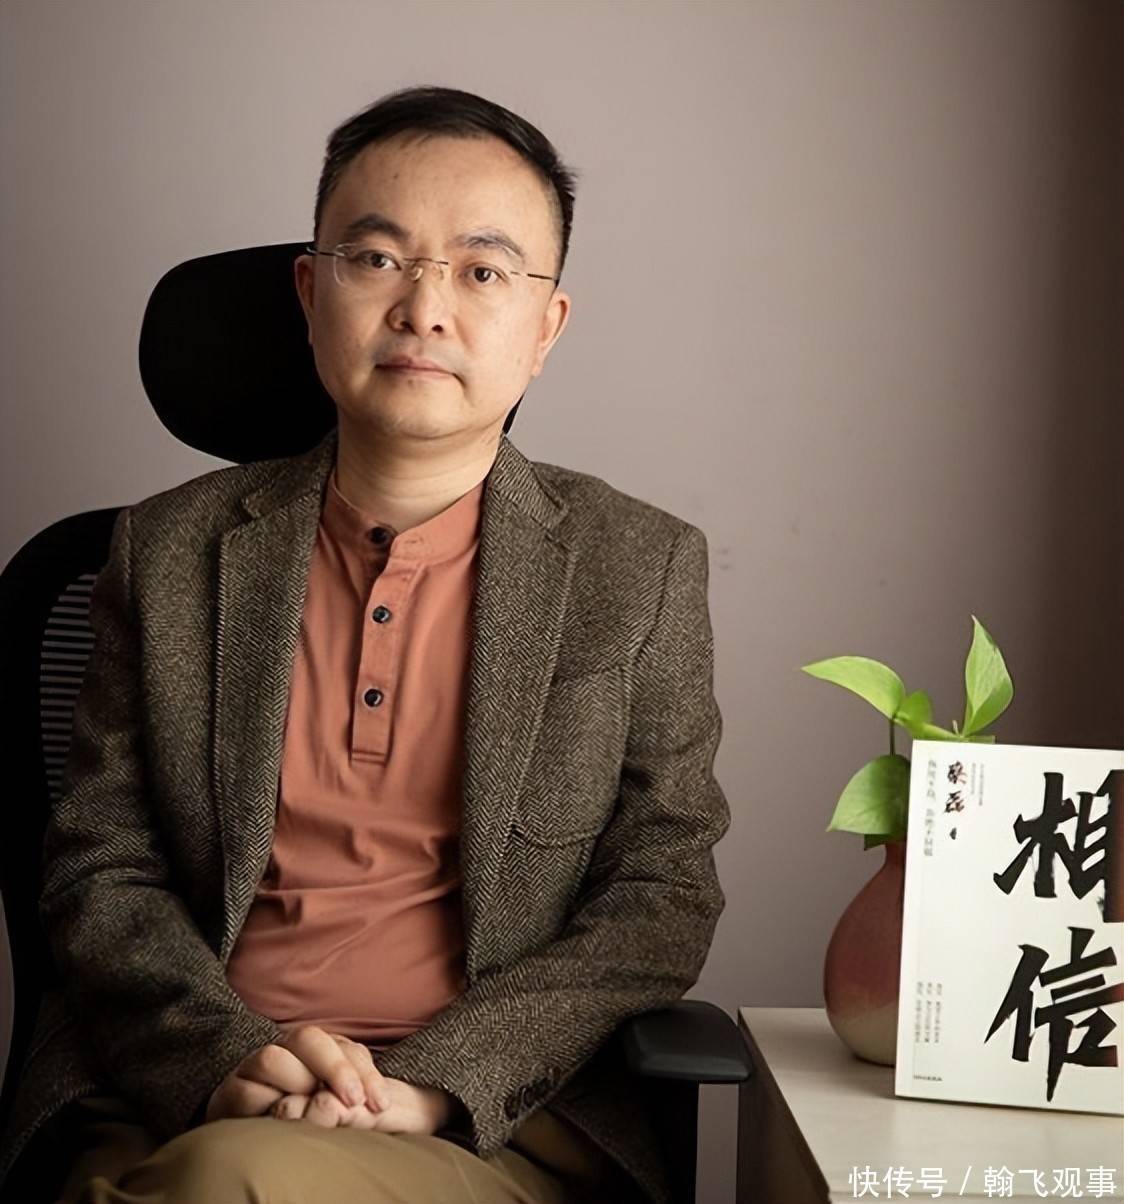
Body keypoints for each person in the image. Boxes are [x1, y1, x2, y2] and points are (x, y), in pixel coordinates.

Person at [0, 85, 729, 1204]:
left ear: (545, 327)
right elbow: (100, 865)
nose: (423, 307)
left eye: (482, 271)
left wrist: (438, 1082)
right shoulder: (167, 551)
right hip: (176, 1094)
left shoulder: (637, 568)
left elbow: (660, 893)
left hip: (491, 1127)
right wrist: (224, 1058)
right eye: (378, 259)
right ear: (310, 292)